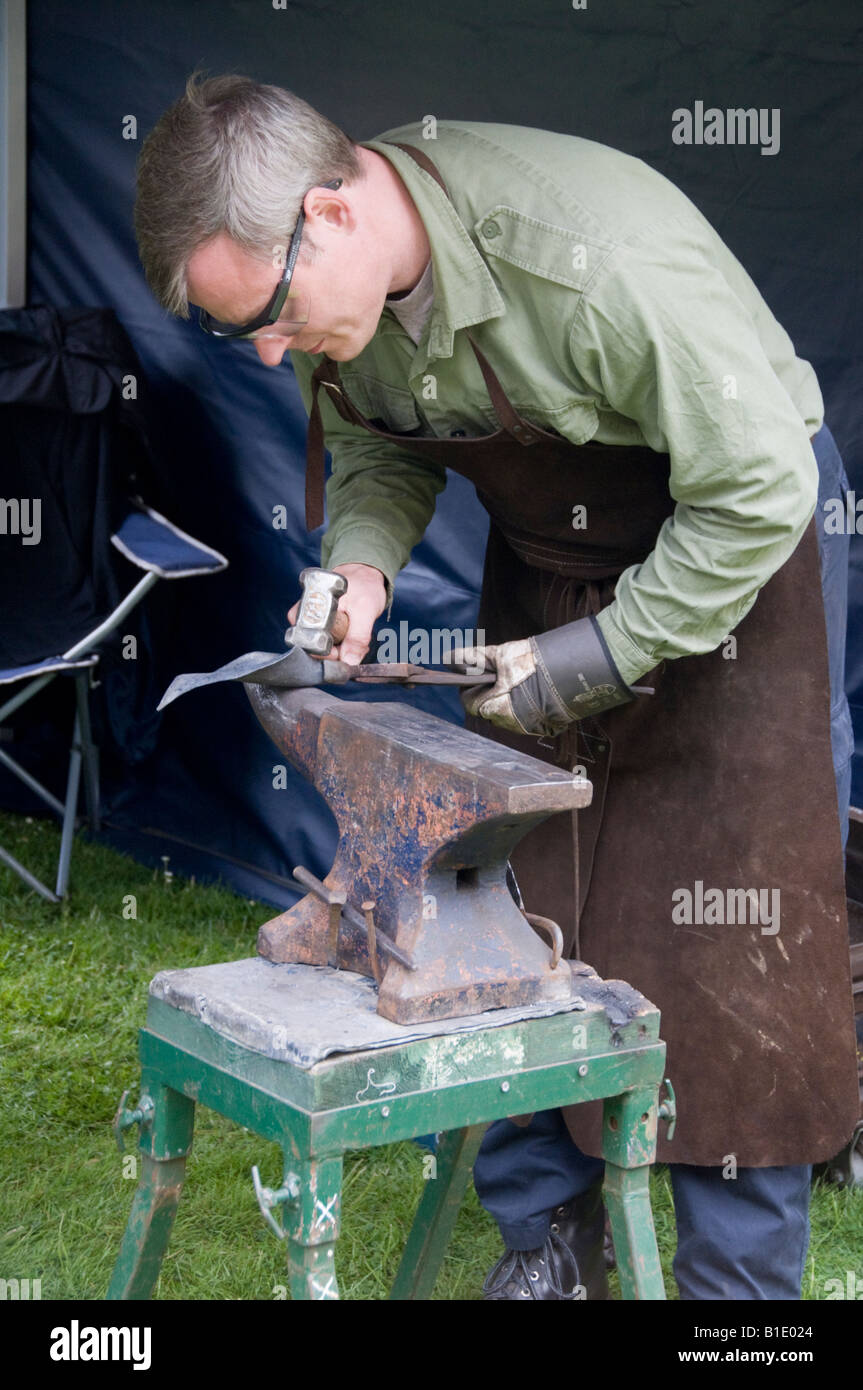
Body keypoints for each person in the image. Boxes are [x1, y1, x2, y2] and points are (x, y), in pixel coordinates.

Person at [135, 74, 859, 1300]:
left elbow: (751, 494)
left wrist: (598, 662)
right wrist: (358, 567)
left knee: (726, 923)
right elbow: (370, 436)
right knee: (514, 892)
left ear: (332, 212)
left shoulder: (590, 266)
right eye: (235, 334)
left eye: (268, 311)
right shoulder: (340, 302)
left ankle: (737, 1288)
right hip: (551, 563)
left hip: (733, 548)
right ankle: (546, 1243)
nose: (266, 351)